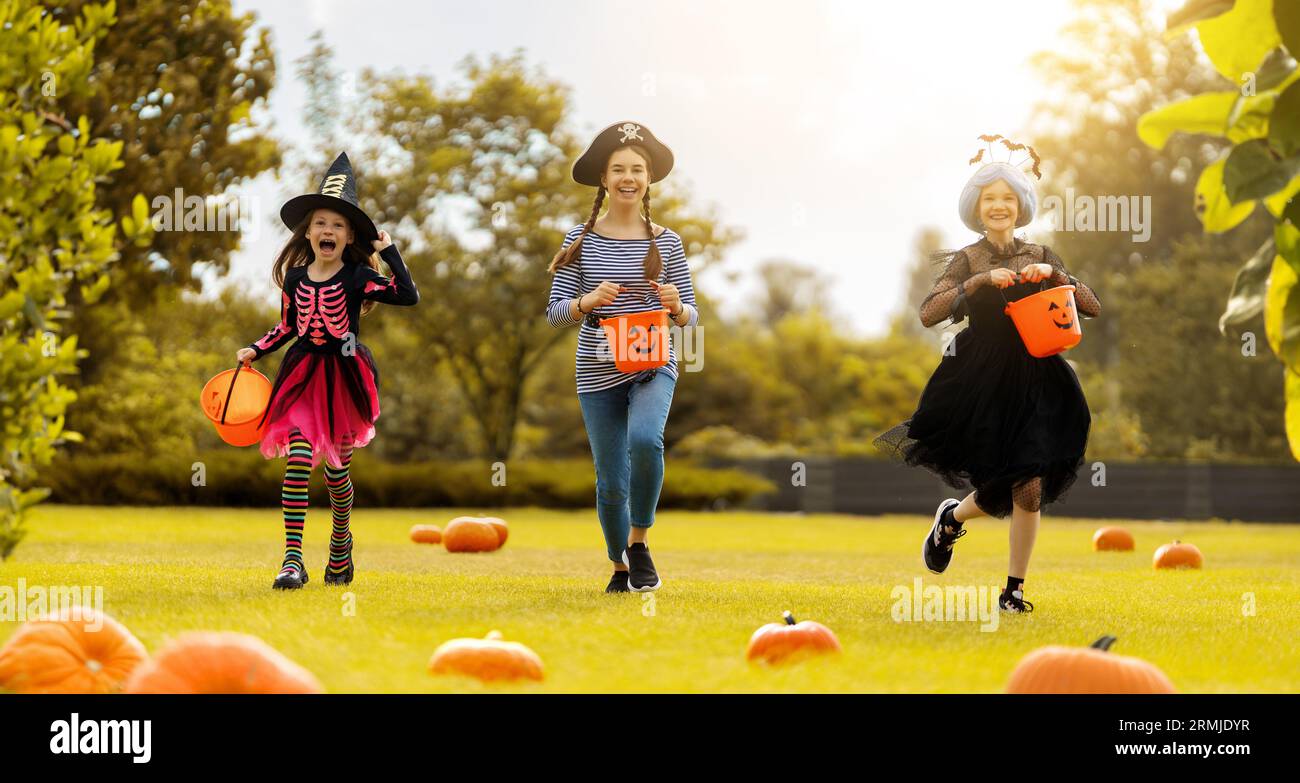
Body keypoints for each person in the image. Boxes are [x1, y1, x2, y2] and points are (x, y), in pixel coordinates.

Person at [874, 143, 1101, 613]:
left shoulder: (1040, 253)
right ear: (977, 207)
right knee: (1007, 480)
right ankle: (952, 518)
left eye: (1008, 198)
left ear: (1020, 206)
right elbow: (928, 313)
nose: (999, 206)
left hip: (1039, 376)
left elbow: (1093, 306)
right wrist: (978, 282)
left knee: (1030, 483)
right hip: (982, 381)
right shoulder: (967, 258)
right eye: (989, 198)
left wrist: (1057, 275)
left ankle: (1013, 592)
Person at [237, 152, 419, 590]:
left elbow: (407, 294)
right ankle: (292, 560)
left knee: (337, 473)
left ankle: (341, 542)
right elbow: (286, 325)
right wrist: (256, 351)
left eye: (338, 225)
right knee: (298, 461)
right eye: (320, 223)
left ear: (349, 235)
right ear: (308, 232)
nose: (328, 231)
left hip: (344, 377)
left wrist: (388, 251)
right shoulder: (297, 279)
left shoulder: (358, 277)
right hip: (301, 376)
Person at [546, 122, 700, 593]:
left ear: (648, 179)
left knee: (645, 439)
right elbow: (554, 314)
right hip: (597, 371)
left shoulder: (667, 241)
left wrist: (676, 305)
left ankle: (639, 542)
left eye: (637, 169)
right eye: (619, 169)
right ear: (604, 179)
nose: (628, 177)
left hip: (654, 364)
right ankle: (619, 566)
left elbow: (691, 316)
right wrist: (586, 302)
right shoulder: (580, 239)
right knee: (611, 482)